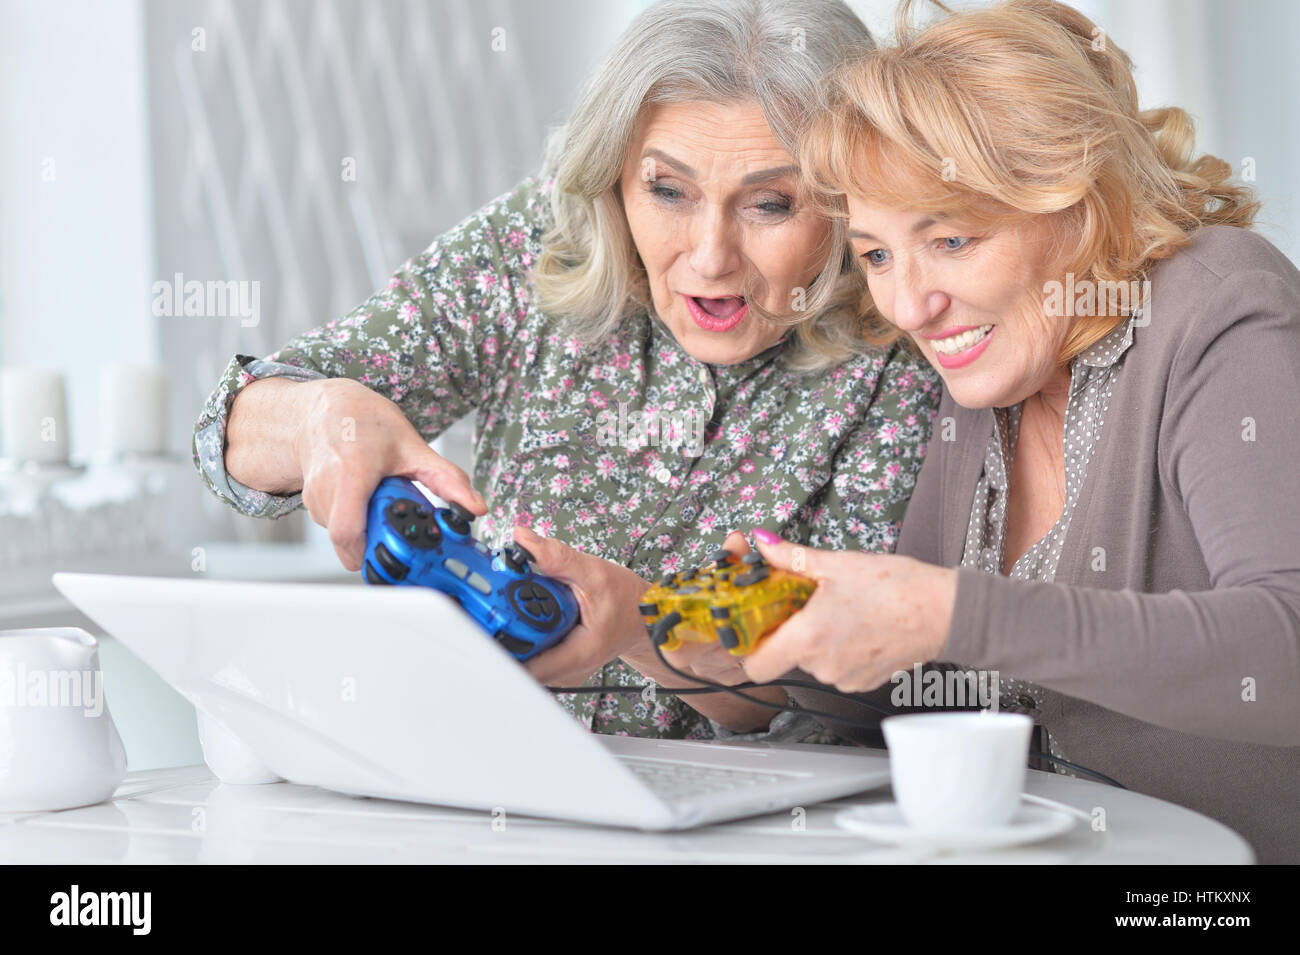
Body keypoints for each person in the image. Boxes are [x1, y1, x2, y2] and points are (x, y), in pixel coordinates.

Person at [193, 0, 940, 742]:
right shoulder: (538, 246)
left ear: (847, 202)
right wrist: (320, 418)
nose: (712, 256)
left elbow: (830, 701)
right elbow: (229, 434)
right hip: (474, 771)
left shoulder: (900, 345)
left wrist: (646, 624)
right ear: (614, 176)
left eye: (770, 204)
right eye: (667, 190)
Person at [737, 0, 1300, 862]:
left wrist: (950, 610)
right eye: (878, 254)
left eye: (952, 239)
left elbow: (1283, 651)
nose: (909, 305)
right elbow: (912, 696)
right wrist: (740, 631)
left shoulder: (1219, 302)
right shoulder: (992, 377)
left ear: (1076, 201)